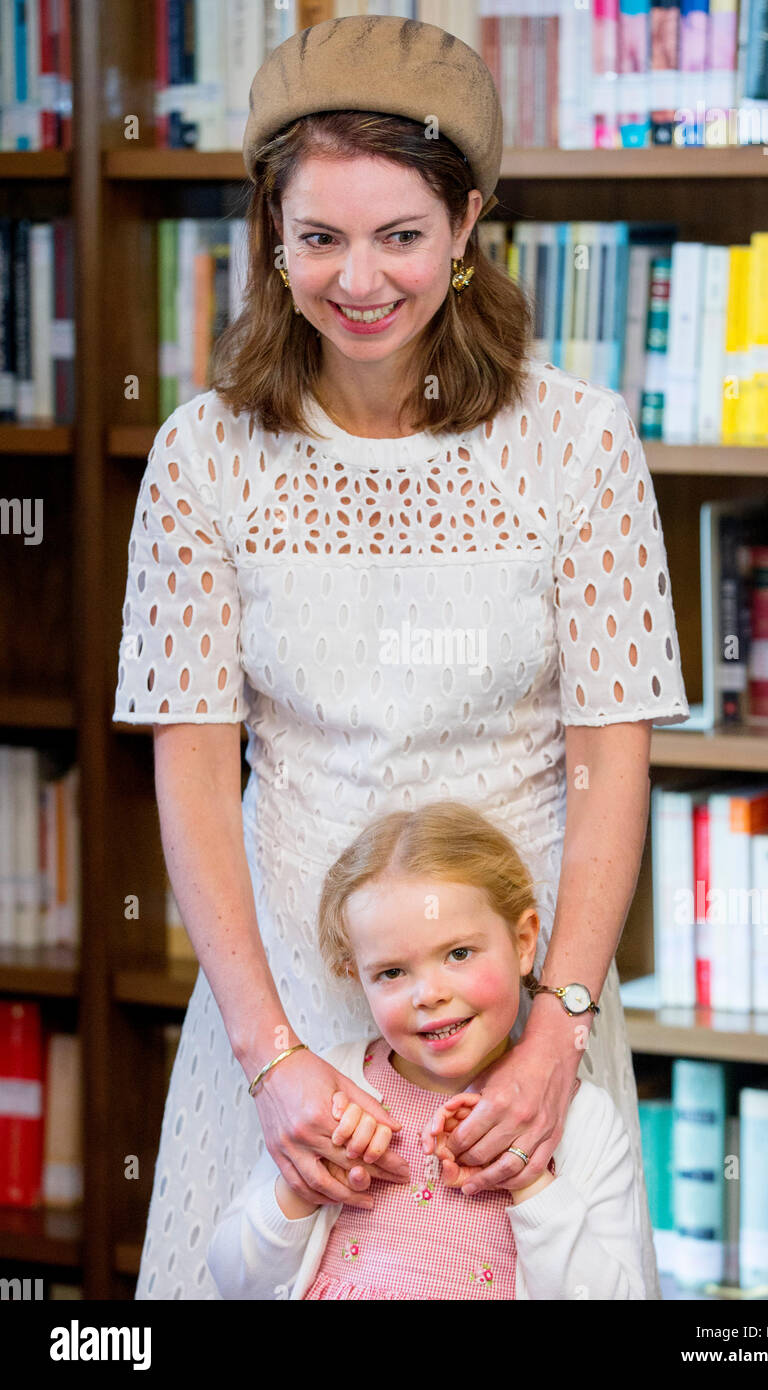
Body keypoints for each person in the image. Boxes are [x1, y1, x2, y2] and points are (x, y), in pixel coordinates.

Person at [112, 15, 690, 1301]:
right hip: (284, 1019)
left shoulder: (580, 449)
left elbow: (610, 766)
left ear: (467, 221)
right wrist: (270, 1060)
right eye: (318, 237)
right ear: (271, 232)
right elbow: (196, 773)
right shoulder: (203, 456)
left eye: (399, 236)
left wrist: (556, 1031)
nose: (357, 279)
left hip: (520, 1006)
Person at [206, 801, 647, 1300]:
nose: (429, 994)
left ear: (524, 942)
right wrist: (302, 1188)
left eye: (458, 954)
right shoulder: (332, 1086)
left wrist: (529, 1183)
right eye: (392, 973)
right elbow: (236, 1282)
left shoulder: (578, 1119)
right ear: (358, 978)